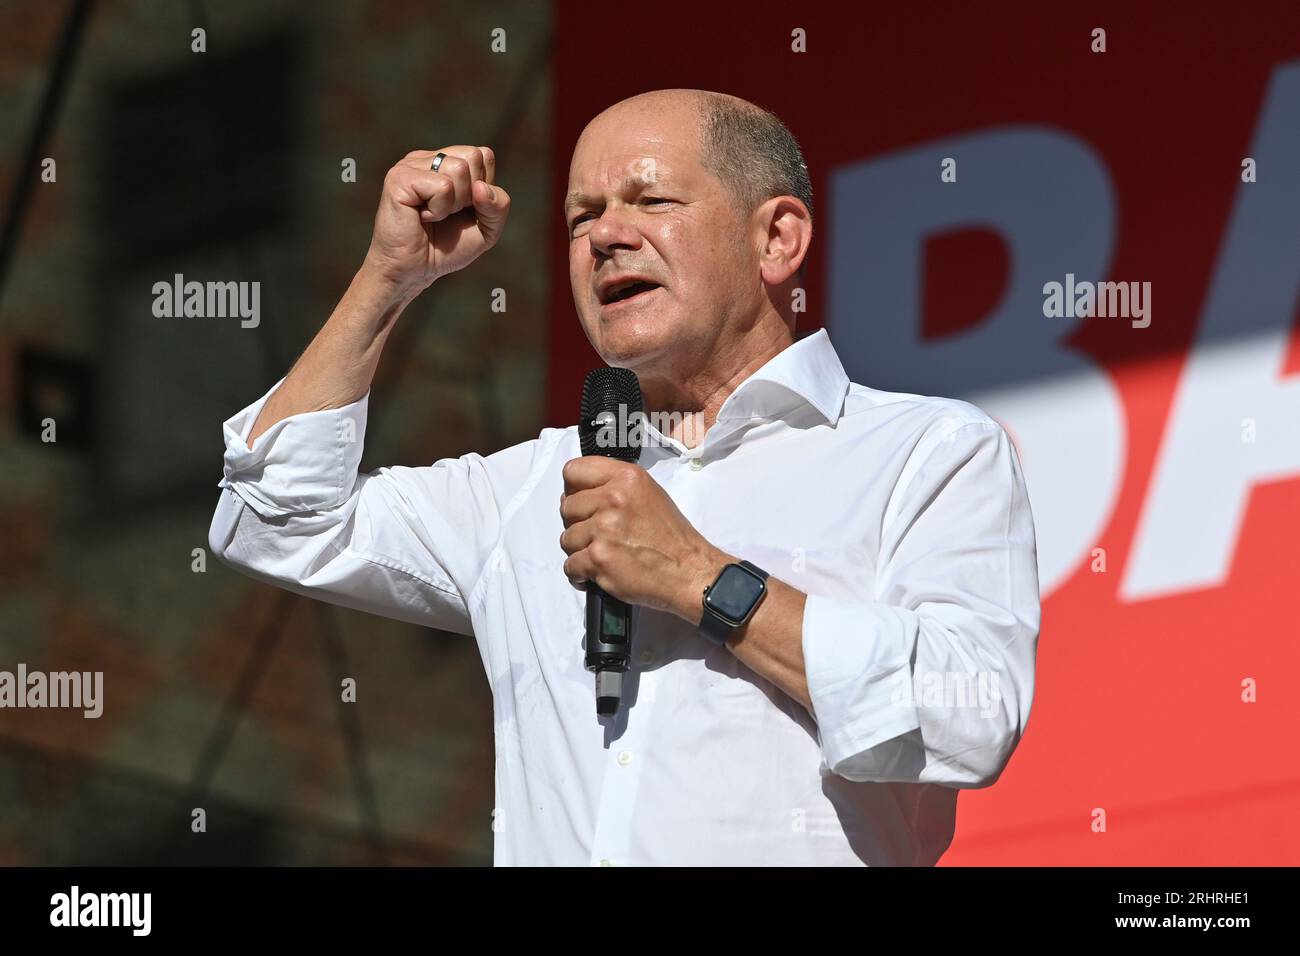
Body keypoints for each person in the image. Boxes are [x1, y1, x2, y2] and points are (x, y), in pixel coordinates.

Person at [209, 88, 1041, 866]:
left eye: (651, 201)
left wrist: (704, 581)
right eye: (582, 216)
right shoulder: (532, 484)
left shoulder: (925, 451)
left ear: (777, 239)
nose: (606, 235)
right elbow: (278, 517)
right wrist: (389, 278)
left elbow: (970, 715)